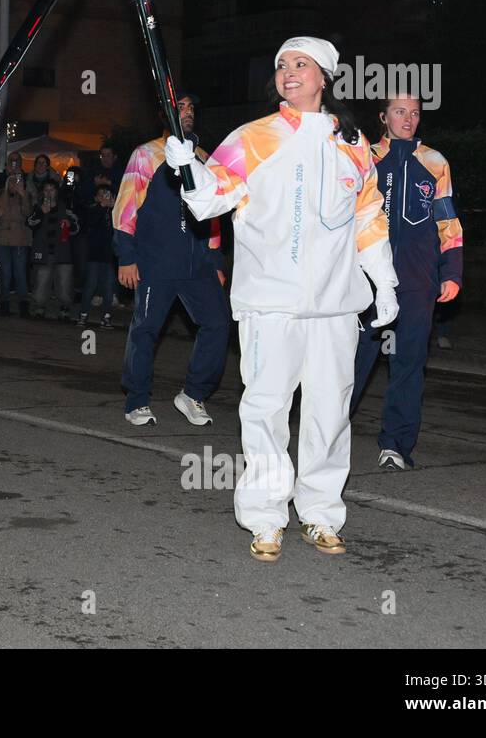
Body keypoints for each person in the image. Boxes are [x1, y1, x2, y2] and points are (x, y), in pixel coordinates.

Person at [164, 37, 398, 561]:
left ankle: (320, 513)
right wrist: (187, 168)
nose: (288, 72)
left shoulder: (353, 145)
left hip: (336, 305)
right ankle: (267, 518)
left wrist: (384, 281)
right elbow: (210, 200)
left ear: (324, 78)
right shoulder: (252, 137)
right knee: (266, 411)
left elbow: (368, 216)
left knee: (330, 415)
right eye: (282, 65)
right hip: (270, 301)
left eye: (301, 64)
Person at [351, 95, 463, 470]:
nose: (408, 119)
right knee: (352, 361)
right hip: (367, 282)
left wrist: (452, 272)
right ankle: (328, 435)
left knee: (408, 363)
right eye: (400, 112)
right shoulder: (365, 157)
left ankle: (396, 445)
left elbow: (448, 223)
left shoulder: (435, 162)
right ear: (383, 117)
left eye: (415, 113)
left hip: (417, 281)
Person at [113, 94, 230, 427]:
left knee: (219, 324)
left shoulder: (205, 158)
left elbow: (213, 214)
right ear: (164, 114)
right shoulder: (146, 155)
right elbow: (125, 208)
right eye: (180, 107)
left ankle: (193, 394)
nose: (188, 112)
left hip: (198, 266)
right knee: (146, 330)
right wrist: (126, 256)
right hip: (156, 263)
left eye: (192, 107)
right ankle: (137, 400)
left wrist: (216, 261)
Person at [27, 178, 78, 319]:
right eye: (46, 189)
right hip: (43, 252)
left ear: (57, 191)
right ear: (42, 192)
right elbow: (30, 223)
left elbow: (76, 227)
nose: (49, 192)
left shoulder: (65, 207)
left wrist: (70, 225)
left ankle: (65, 307)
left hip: (63, 251)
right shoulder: (38, 207)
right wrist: (40, 213)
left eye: (52, 189)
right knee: (41, 281)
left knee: (64, 282)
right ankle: (39, 306)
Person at [74, 175, 117, 328]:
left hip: (110, 257)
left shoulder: (115, 211)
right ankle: (83, 314)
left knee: (109, 287)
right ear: (96, 197)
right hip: (94, 255)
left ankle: (106, 316)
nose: (104, 197)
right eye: (101, 194)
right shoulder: (93, 210)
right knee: (90, 286)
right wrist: (101, 206)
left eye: (107, 194)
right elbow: (90, 222)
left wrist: (113, 207)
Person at [0, 152, 32, 316]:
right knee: (6, 272)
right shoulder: (0, 195)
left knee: (20, 272)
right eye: (13, 180)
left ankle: (23, 304)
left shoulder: (26, 195)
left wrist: (23, 196)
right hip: (2, 238)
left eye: (18, 180)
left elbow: (28, 213)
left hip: (20, 239)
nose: (15, 183)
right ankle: (5, 303)